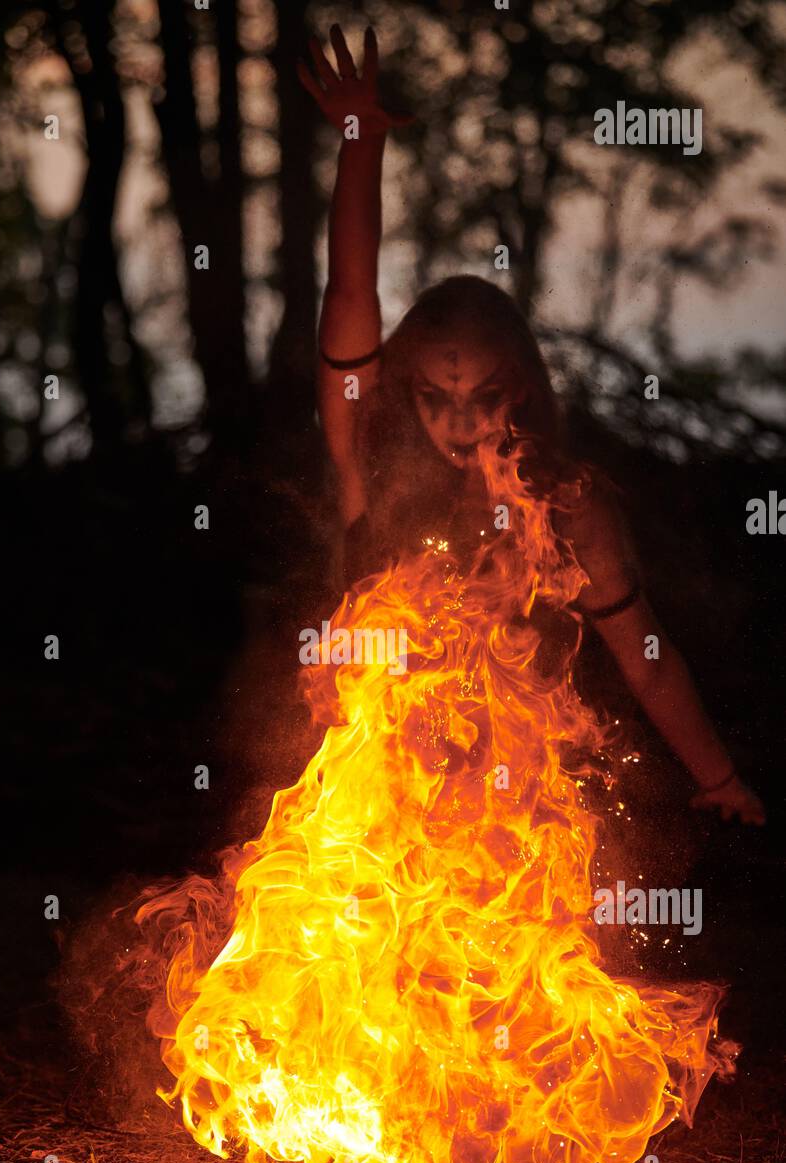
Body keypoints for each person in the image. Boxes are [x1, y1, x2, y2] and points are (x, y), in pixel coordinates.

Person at [299, 23, 765, 826]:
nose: (458, 418)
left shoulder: (570, 506)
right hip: (377, 811)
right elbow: (348, 297)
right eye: (434, 396)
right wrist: (359, 145)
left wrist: (719, 780)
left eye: (482, 394)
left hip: (512, 814)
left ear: (518, 389)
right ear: (403, 388)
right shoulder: (367, 462)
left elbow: (647, 662)